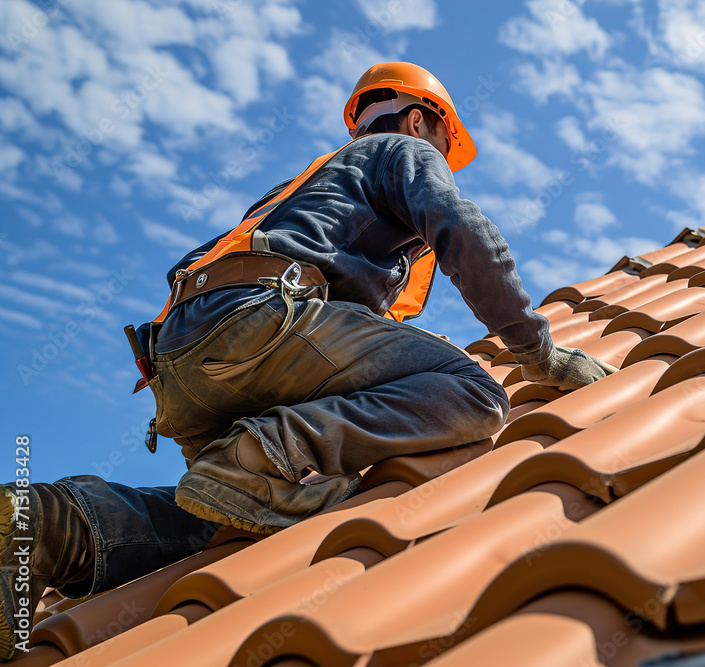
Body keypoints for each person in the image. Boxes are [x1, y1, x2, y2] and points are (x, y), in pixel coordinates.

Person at [0, 62, 615, 661]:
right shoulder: (400, 151)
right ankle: (257, 455)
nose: (443, 157)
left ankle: (52, 527)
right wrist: (540, 353)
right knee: (472, 390)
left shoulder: (298, 192)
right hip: (258, 321)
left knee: (230, 524)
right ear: (420, 120)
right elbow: (462, 229)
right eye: (444, 142)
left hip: (182, 357)